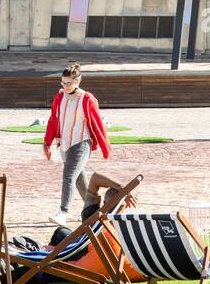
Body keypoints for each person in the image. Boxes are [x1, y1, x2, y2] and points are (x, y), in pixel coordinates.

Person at [41, 63, 112, 229]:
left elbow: (97, 123)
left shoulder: (87, 99)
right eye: (63, 83)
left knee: (69, 176)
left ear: (77, 81)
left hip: (82, 143)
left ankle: (63, 213)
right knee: (80, 181)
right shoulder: (59, 97)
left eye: (68, 83)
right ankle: (96, 212)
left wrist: (105, 147)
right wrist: (47, 142)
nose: (65, 86)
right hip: (64, 144)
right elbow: (53, 120)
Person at [48, 171, 138, 246]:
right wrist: (125, 190)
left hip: (79, 251)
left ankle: (45, 258)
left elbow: (95, 178)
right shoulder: (129, 227)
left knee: (61, 231)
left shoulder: (93, 217)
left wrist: (123, 188)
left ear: (105, 203)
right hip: (113, 260)